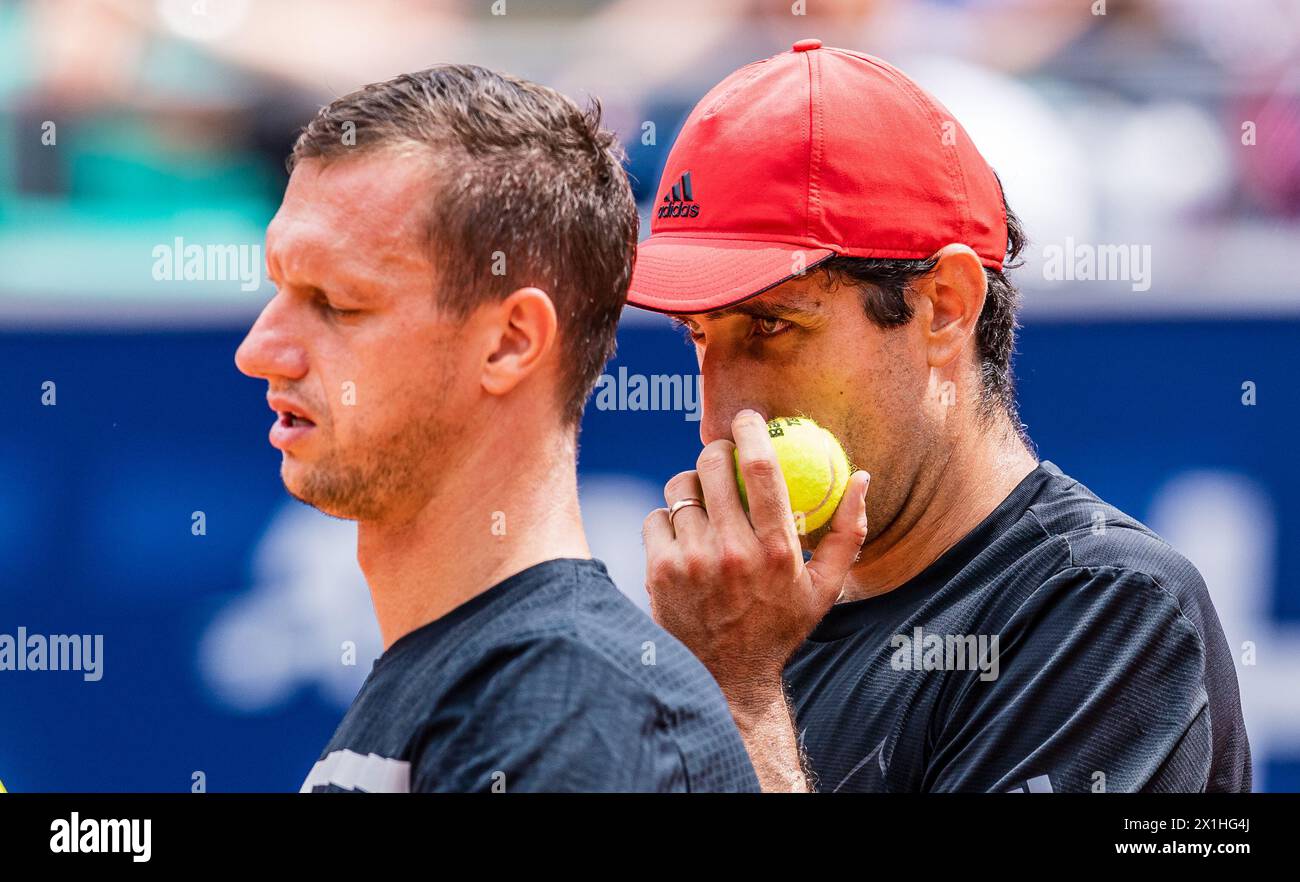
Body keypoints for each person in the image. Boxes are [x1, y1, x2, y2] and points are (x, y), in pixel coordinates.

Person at [633, 40, 1251, 792]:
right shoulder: (749, 621)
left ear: (945, 308)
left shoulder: (1113, 615)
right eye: (699, 336)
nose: (717, 416)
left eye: (771, 326)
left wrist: (734, 696)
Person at [235, 64, 758, 793]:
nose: (259, 350)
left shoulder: (575, 707)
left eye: (336, 302)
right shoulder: (487, 680)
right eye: (280, 288)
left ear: (512, 341)